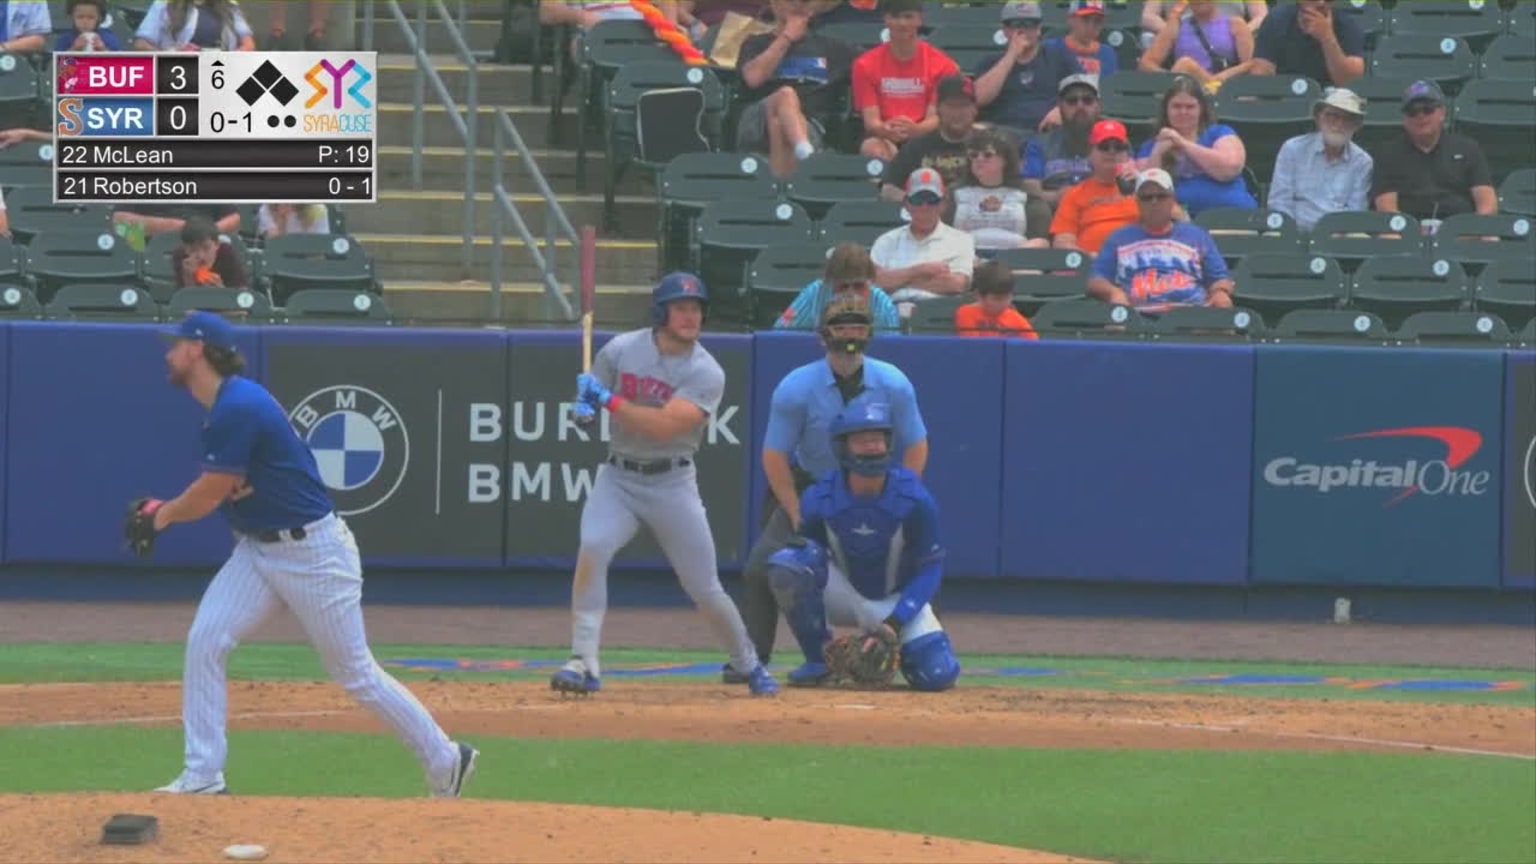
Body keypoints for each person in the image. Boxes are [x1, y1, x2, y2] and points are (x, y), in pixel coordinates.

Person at [139, 311, 477, 797]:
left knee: (355, 673)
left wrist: (160, 516)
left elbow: (210, 492)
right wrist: (166, 511)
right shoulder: (224, 405)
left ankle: (446, 759)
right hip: (259, 550)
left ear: (197, 349)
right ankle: (203, 773)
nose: (168, 352)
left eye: (176, 344)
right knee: (206, 640)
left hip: (313, 554)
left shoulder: (238, 406)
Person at [555, 273, 779, 697]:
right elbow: (587, 398)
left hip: (672, 481)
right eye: (681, 308)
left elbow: (664, 426)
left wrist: (606, 401)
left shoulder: (706, 371)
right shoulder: (621, 349)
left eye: (696, 308)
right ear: (662, 312)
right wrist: (583, 408)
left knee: (703, 585)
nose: (691, 316)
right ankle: (583, 659)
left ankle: (747, 661)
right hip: (618, 477)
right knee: (594, 547)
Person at [726, 292, 927, 679]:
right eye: (842, 326)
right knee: (760, 567)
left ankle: (912, 647)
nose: (850, 335)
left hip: (872, 488)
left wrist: (903, 495)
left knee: (905, 560)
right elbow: (774, 456)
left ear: (870, 332)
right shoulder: (796, 387)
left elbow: (917, 443)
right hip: (813, 487)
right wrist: (796, 510)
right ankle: (756, 659)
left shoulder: (893, 383)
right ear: (823, 335)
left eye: (858, 326)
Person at [763, 396, 959, 691]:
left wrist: (895, 622)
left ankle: (888, 653)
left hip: (895, 598)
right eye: (863, 440)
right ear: (843, 446)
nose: (872, 446)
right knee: (788, 564)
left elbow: (930, 569)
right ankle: (818, 660)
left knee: (938, 676)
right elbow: (808, 558)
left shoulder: (915, 499)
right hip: (845, 593)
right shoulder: (820, 497)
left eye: (878, 439)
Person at [1087, 168, 1236, 314]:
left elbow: (1220, 278)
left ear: (1172, 200)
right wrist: (1114, 293)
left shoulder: (1197, 236)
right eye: (1147, 197)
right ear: (1137, 202)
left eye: (1161, 196)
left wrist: (1220, 293)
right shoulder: (1118, 238)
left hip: (1192, 316)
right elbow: (1096, 280)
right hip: (1136, 319)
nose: (1154, 202)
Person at [1369, 80, 1497, 224]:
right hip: (1407, 232)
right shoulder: (1388, 153)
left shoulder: (1468, 148)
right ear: (1404, 118)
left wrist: (1472, 228)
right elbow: (1386, 208)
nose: (1420, 115)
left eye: (1427, 108)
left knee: (1489, 238)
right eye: (1412, 111)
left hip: (1459, 230)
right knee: (1387, 236)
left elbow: (1487, 203)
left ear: (1442, 113)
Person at [851, 0, 958, 161]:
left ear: (919, 20)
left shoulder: (943, 65)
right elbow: (871, 121)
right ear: (886, 19)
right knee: (874, 149)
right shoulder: (865, 64)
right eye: (895, 17)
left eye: (908, 17)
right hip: (883, 134)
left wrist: (916, 129)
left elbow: (935, 117)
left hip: (925, 133)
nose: (902, 23)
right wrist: (886, 130)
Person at [1134, 75, 1256, 217]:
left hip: (1233, 214)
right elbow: (1146, 191)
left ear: (1201, 109)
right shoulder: (1151, 146)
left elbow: (1229, 170)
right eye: (1176, 106)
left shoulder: (1219, 133)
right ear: (1166, 110)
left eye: (1190, 107)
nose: (1183, 112)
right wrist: (1158, 152)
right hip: (1178, 222)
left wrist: (1182, 143)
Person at [971, 1, 1076, 146]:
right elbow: (978, 98)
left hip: (1047, 134)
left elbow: (1085, 90)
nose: (1022, 30)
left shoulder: (1057, 56)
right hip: (1001, 137)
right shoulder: (991, 62)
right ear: (1005, 30)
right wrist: (1011, 55)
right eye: (1015, 24)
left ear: (1038, 29)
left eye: (1029, 24)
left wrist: (1062, 110)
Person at [1267, 87, 1371, 232]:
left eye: (1347, 118)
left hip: (1339, 234)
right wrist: (1290, 233)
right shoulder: (1292, 149)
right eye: (1332, 116)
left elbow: (1356, 211)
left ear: (1356, 126)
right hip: (1293, 231)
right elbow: (1279, 201)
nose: (1339, 124)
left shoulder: (1362, 161)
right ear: (1318, 117)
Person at [871, 168, 976, 303]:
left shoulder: (961, 240)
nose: (925, 206)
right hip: (894, 311)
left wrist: (896, 279)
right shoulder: (886, 241)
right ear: (907, 204)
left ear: (943, 204)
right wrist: (921, 271)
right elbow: (876, 282)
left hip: (937, 313)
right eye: (918, 200)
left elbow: (956, 284)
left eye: (932, 200)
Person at [879, 73, 978, 202]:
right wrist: (916, 203)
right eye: (951, 106)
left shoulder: (990, 146)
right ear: (938, 109)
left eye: (964, 105)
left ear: (975, 109)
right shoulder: (917, 147)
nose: (958, 112)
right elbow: (888, 189)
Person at [947, 127, 1050, 251]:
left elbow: (1041, 241)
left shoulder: (1028, 196)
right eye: (973, 155)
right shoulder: (953, 194)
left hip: (1015, 262)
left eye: (988, 154)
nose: (979, 159)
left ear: (1005, 160)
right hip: (964, 262)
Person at [1049, 119, 1142, 255]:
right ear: (1090, 153)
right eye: (1104, 146)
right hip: (1089, 267)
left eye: (1118, 147)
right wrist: (1089, 258)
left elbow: (1175, 221)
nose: (1112, 151)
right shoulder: (1075, 194)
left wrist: (1142, 184)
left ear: (1127, 154)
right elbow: (1062, 242)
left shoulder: (1145, 189)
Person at [773, 241, 903, 332]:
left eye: (858, 286)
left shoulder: (882, 303)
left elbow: (893, 347)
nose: (851, 293)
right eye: (843, 286)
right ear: (831, 282)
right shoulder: (815, 292)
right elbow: (780, 330)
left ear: (869, 282)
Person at [1021, 74, 1102, 209]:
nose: (1080, 106)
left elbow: (1126, 187)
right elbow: (1030, 188)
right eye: (1072, 101)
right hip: (1054, 212)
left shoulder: (1114, 141)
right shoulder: (1040, 144)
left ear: (1098, 106)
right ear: (1060, 106)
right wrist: (1056, 197)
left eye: (1087, 100)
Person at [1139, 0, 1256, 89]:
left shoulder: (1235, 24)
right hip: (1186, 88)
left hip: (1224, 89)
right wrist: (1171, 76)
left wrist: (1220, 78)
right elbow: (1146, 63)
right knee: (1185, 65)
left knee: (1186, 64)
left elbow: (1252, 64)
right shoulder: (1176, 25)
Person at [1250, 0, 1364, 87]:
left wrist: (1327, 38)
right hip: (1285, 95)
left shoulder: (1347, 25)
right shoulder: (1277, 19)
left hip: (1330, 99)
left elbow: (1350, 83)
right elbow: (1261, 75)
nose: (1321, 2)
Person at [954, 259, 1038, 338]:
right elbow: (973, 346)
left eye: (1007, 297)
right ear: (979, 296)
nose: (1004, 303)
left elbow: (1033, 343)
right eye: (998, 299)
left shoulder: (1015, 317)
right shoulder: (966, 313)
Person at [132, 0, 256, 51]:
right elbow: (141, 44)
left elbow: (248, 44)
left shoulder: (230, 7)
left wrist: (229, 59)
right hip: (178, 72)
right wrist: (174, 54)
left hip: (222, 73)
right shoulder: (164, 4)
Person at [1046, 0, 1118, 78]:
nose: (1091, 26)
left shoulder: (1107, 54)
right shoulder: (1049, 49)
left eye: (1098, 21)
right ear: (1070, 19)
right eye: (1085, 19)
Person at [174, 216, 249, 289]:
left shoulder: (226, 252)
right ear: (185, 248)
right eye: (193, 249)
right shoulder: (181, 257)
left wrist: (221, 290)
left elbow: (242, 292)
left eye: (206, 248)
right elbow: (185, 299)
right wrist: (188, 277)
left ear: (217, 244)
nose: (201, 256)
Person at [56, 1, 122, 52]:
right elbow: (58, 65)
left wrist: (103, 49)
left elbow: (118, 64)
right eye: (80, 17)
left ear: (100, 18)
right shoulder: (64, 39)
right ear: (71, 17)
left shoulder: (108, 37)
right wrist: (73, 49)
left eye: (91, 17)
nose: (85, 22)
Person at [258, 203, 332, 239]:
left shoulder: (318, 210)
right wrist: (281, 221)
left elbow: (319, 250)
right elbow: (273, 246)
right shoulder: (266, 209)